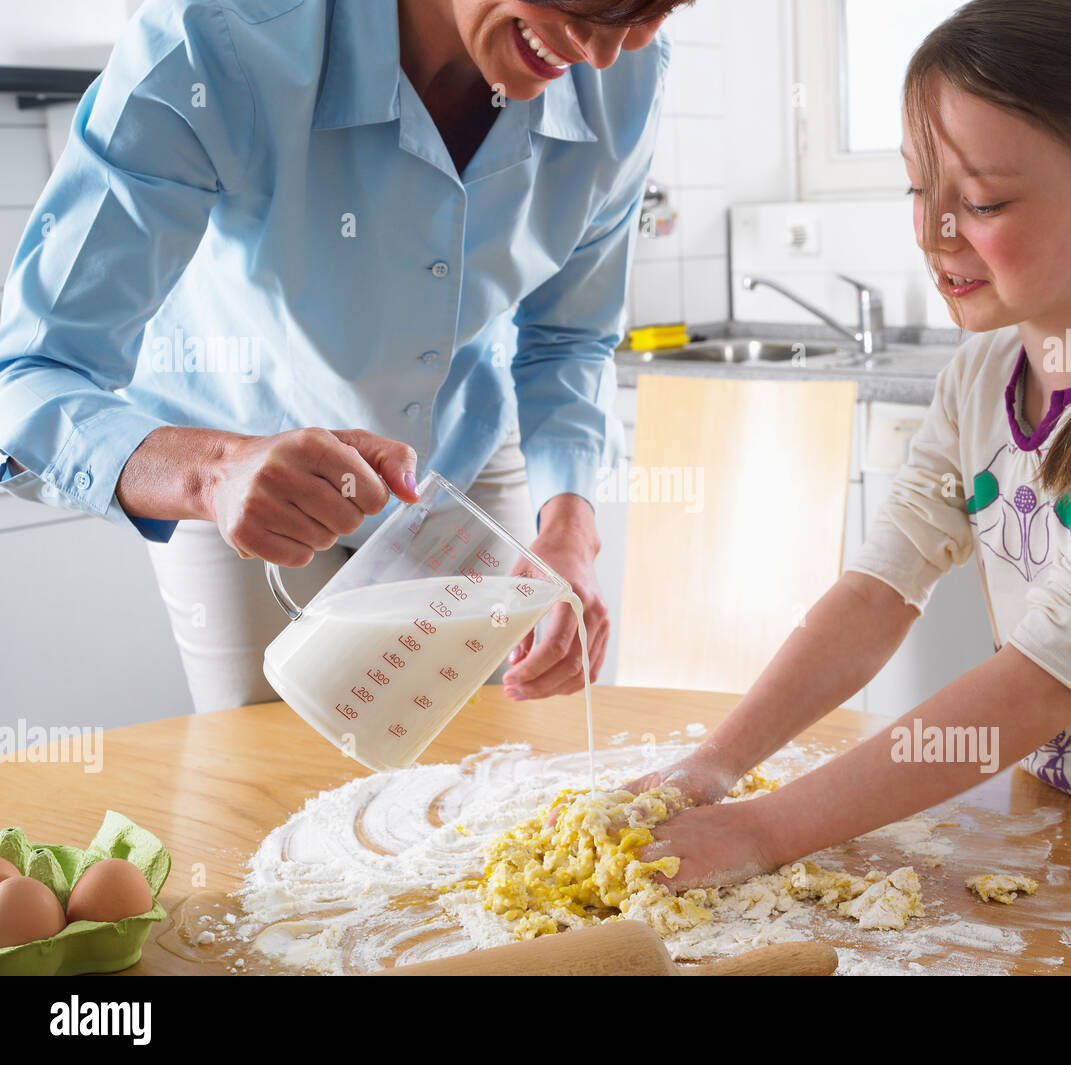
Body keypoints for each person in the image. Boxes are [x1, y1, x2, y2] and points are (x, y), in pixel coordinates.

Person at [631, 0, 1071, 955]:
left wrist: (761, 831)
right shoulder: (982, 376)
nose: (933, 233)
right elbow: (875, 590)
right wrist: (714, 767)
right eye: (918, 190)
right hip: (1070, 840)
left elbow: (1043, 681)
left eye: (982, 203)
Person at [0, 0, 686, 713]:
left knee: (498, 772)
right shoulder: (214, 39)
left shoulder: (627, 77)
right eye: (586, 5)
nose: (603, 55)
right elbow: (25, 378)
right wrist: (213, 473)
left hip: (462, 461)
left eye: (651, 13)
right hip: (236, 463)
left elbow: (567, 338)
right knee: (270, 790)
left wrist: (570, 527)